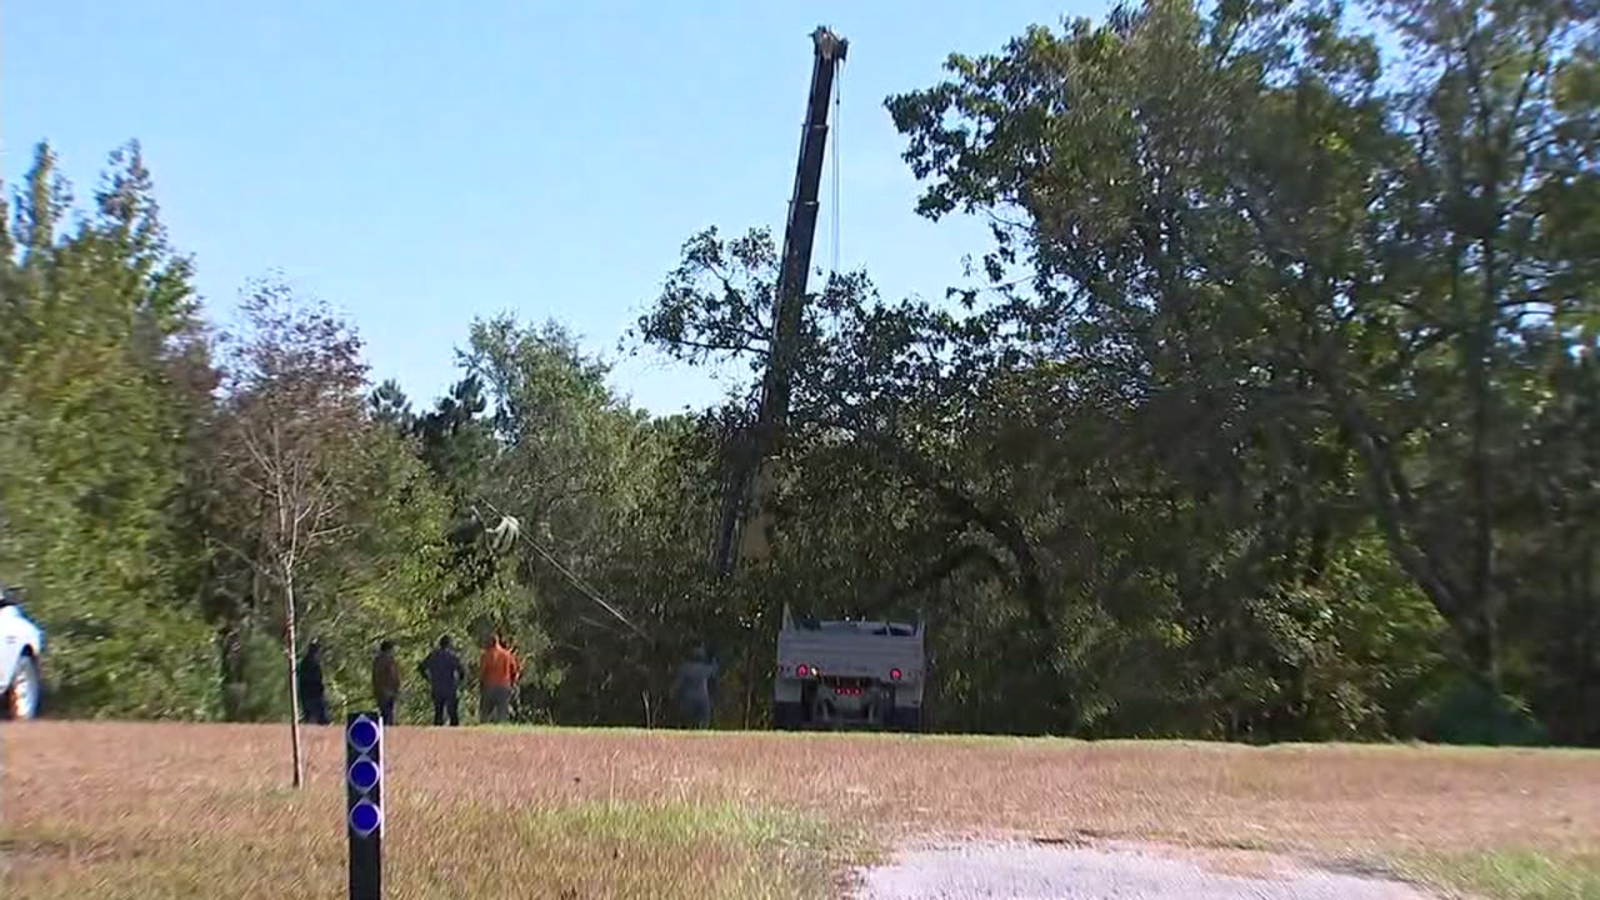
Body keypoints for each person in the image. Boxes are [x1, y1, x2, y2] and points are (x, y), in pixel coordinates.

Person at [418, 635, 465, 726]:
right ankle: (455, 735)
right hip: (450, 687)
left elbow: (421, 668)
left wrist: (428, 678)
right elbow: (461, 671)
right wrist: (459, 682)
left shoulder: (433, 655)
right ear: (449, 644)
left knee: (438, 713)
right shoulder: (451, 656)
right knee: (452, 713)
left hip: (436, 686)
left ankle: (437, 735)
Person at [478, 633, 521, 724]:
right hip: (504, 687)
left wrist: (481, 685)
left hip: (489, 687)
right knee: (502, 713)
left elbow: (482, 672)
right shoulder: (507, 655)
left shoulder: (486, 655)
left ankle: (482, 732)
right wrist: (512, 684)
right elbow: (515, 672)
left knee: (485, 713)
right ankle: (501, 734)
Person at [674, 645, 719, 729]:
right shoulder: (705, 669)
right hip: (702, 698)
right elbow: (715, 671)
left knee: (689, 722)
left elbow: (678, 684)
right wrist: (714, 659)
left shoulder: (685, 667)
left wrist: (675, 693)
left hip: (689, 698)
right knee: (703, 721)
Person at [297, 639, 329, 725]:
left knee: (310, 717)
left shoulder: (307, 662)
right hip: (313, 695)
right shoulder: (311, 663)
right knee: (321, 718)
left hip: (308, 695)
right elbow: (314, 679)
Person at [372, 639, 402, 725]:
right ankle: (388, 732)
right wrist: (396, 687)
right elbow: (392, 675)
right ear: (389, 649)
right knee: (388, 713)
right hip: (388, 690)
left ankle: (383, 730)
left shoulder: (377, 660)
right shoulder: (389, 660)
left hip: (379, 690)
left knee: (384, 713)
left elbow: (375, 676)